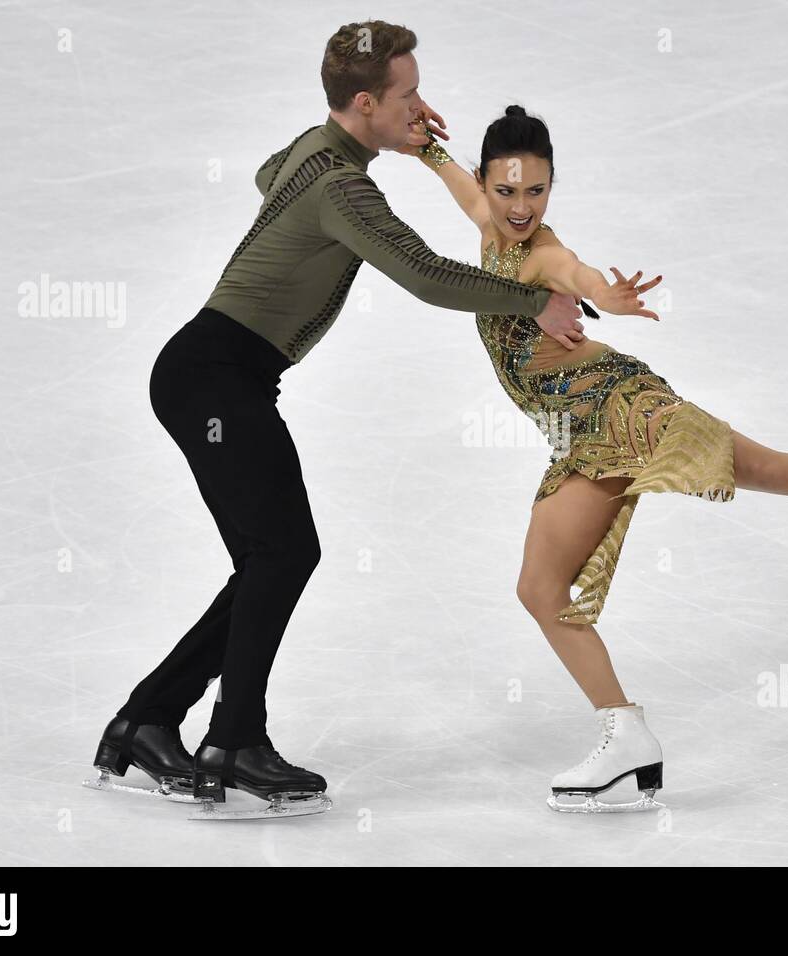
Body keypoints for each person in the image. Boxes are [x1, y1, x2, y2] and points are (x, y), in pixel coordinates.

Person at [399, 104, 788, 813]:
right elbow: (454, 183)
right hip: (587, 430)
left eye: (538, 191)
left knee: (563, 576)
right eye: (507, 191)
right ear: (486, 184)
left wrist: (605, 297)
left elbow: (577, 271)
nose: (522, 206)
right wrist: (421, 147)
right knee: (563, 575)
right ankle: (627, 734)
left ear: (553, 187)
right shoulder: (485, 223)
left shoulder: (543, 254)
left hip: (616, 413)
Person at [85, 22, 588, 820]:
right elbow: (424, 275)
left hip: (206, 374)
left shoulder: (313, 151)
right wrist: (537, 298)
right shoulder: (343, 188)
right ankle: (234, 741)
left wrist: (405, 148)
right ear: (366, 101)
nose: (422, 106)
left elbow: (265, 176)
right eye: (408, 95)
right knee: (283, 553)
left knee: (268, 559)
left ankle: (147, 719)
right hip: (217, 378)